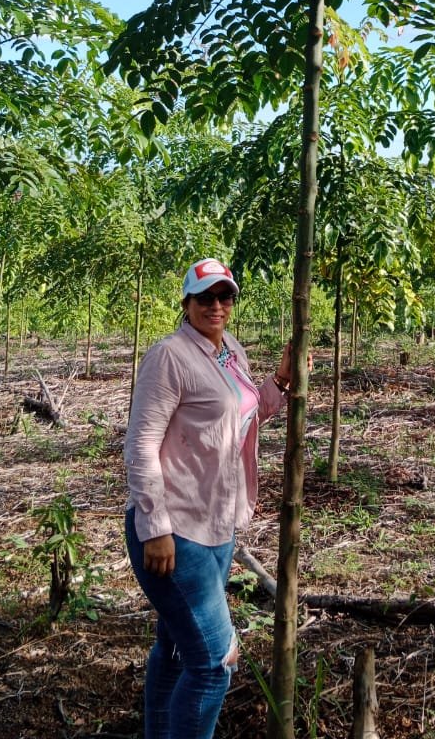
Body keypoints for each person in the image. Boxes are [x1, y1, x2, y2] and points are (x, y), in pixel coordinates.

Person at [124, 258, 293, 739]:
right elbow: (140, 445)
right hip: (176, 531)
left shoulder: (229, 351)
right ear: (186, 303)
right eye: (205, 297)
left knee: (177, 649)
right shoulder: (169, 357)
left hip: (217, 525)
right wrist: (154, 527)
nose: (216, 306)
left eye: (225, 296)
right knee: (216, 662)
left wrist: (280, 381)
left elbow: (240, 416)